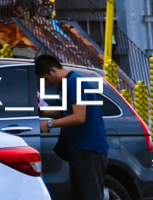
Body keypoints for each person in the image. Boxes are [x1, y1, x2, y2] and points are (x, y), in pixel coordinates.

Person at [37, 53, 109, 200]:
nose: (47, 83)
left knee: (91, 195)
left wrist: (50, 124)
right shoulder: (64, 85)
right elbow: (65, 112)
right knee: (78, 195)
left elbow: (78, 116)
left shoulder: (75, 83)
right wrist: (42, 110)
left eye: (45, 78)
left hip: (88, 149)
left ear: (53, 71)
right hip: (78, 149)